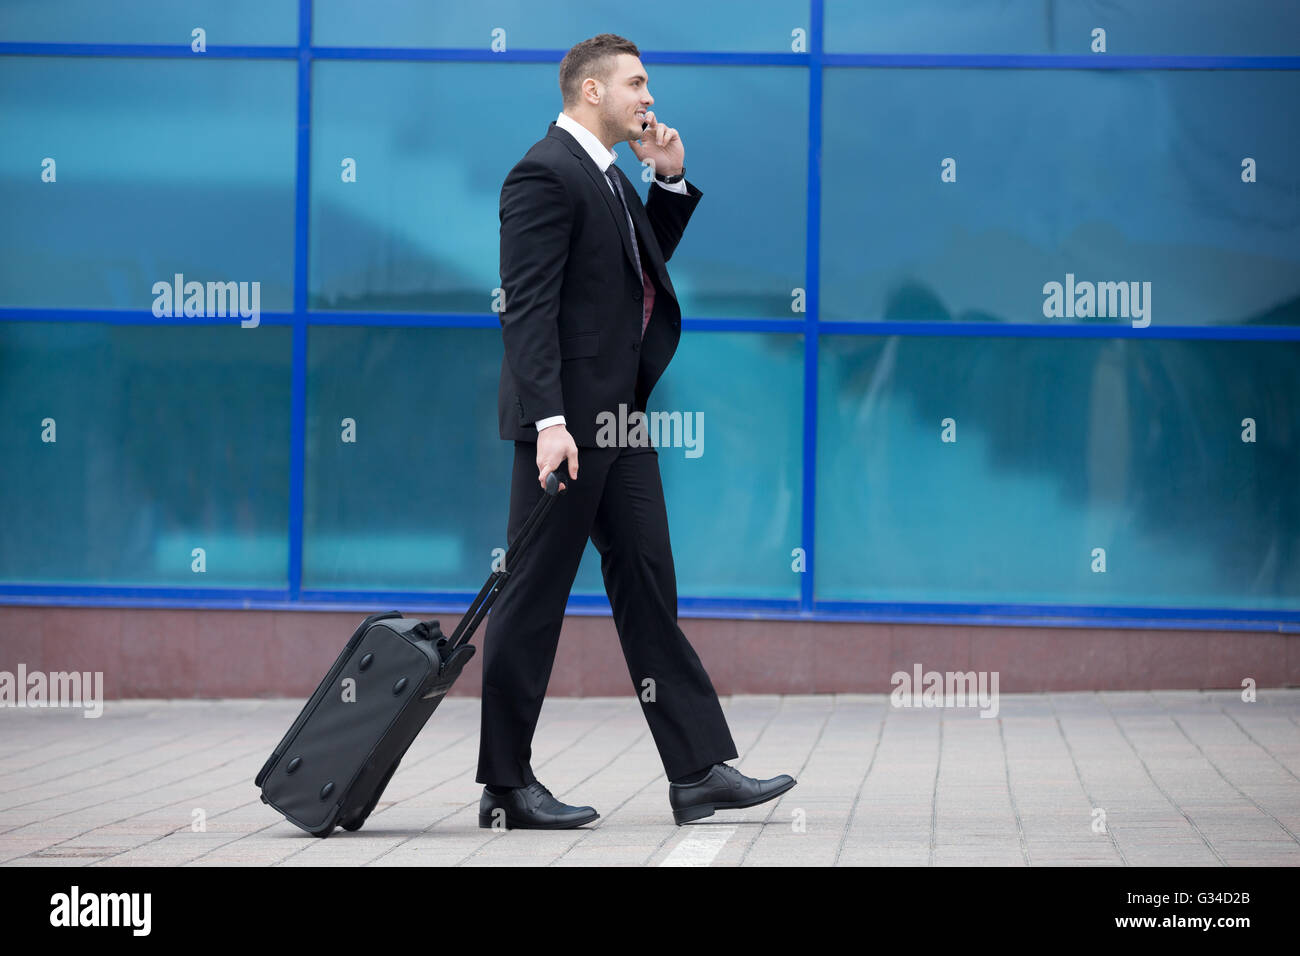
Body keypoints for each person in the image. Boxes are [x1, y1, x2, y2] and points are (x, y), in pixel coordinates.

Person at [479, 33, 796, 829]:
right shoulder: (542, 173)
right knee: (533, 597)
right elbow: (528, 307)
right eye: (637, 83)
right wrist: (550, 422)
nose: (649, 98)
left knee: (649, 579)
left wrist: (670, 180)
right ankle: (506, 786)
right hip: (568, 429)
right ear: (591, 92)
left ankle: (696, 771)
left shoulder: (610, 177)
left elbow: (640, 269)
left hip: (618, 421)